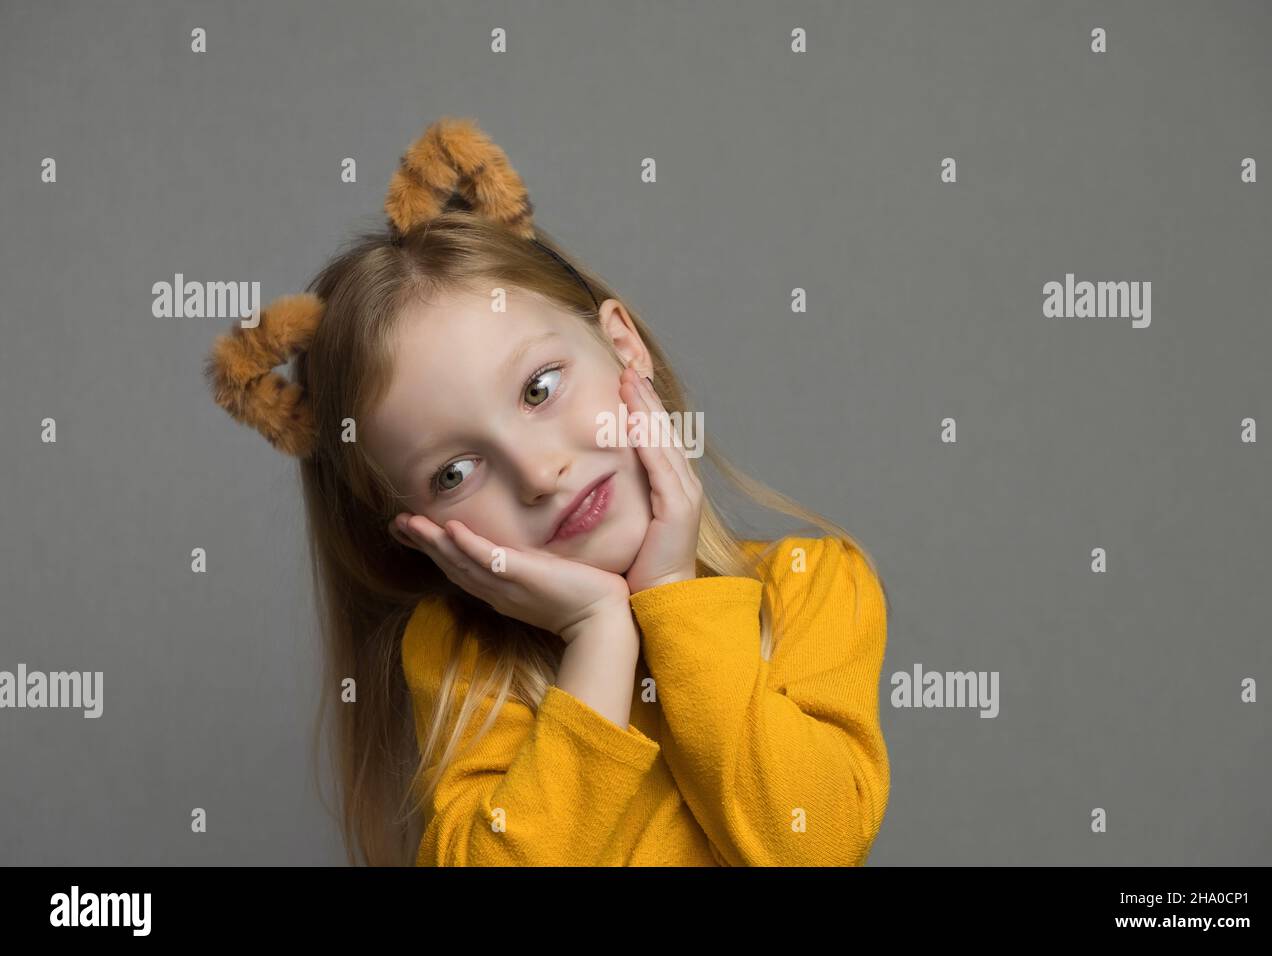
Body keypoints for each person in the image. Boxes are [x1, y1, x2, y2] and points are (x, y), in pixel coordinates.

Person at [204, 116, 892, 866]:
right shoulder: (466, 662)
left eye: (539, 388)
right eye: (455, 474)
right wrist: (599, 637)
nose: (537, 474)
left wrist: (672, 595)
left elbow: (814, 846)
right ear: (417, 531)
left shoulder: (813, 589)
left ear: (623, 346)